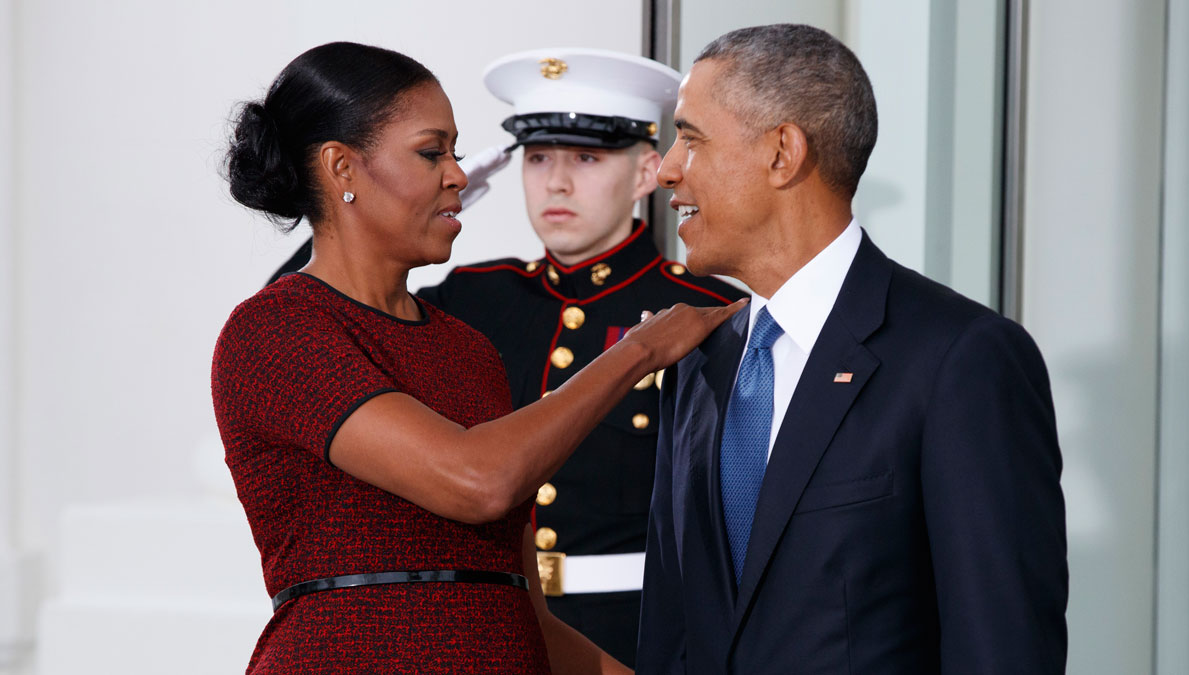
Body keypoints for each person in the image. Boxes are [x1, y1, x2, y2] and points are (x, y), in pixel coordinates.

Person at [212, 41, 742, 675]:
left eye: (456, 154)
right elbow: (479, 481)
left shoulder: (465, 346)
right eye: (432, 152)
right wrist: (641, 350)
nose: (460, 175)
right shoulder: (276, 329)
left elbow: (524, 613)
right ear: (342, 168)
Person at [637, 24, 1068, 674]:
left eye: (691, 139)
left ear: (783, 152)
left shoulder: (960, 359)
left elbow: (1001, 647)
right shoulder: (697, 367)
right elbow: (672, 639)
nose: (665, 168)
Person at [414, 48, 746, 667]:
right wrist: (414, 205)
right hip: (490, 626)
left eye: (587, 159)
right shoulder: (473, 298)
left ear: (648, 173)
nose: (556, 183)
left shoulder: (706, 312)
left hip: (639, 630)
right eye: (538, 158)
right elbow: (303, 327)